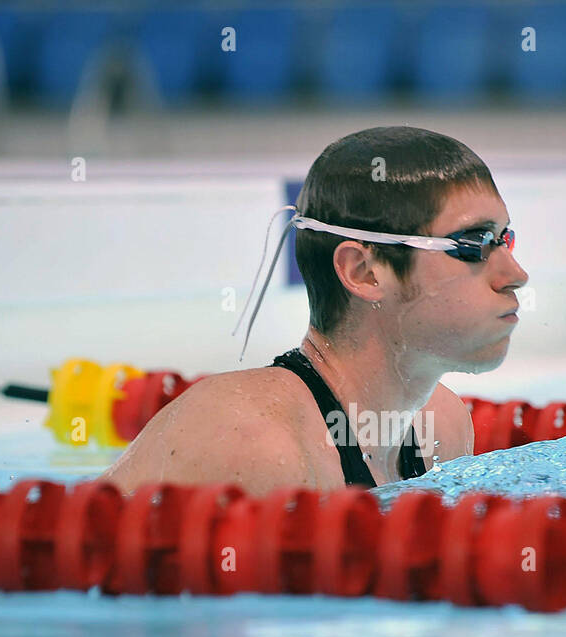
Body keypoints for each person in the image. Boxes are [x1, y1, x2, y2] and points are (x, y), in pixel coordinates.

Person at [102, 126, 529, 495]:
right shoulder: (254, 443)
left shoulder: (444, 426)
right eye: (472, 243)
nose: (515, 274)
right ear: (363, 272)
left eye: (503, 238)